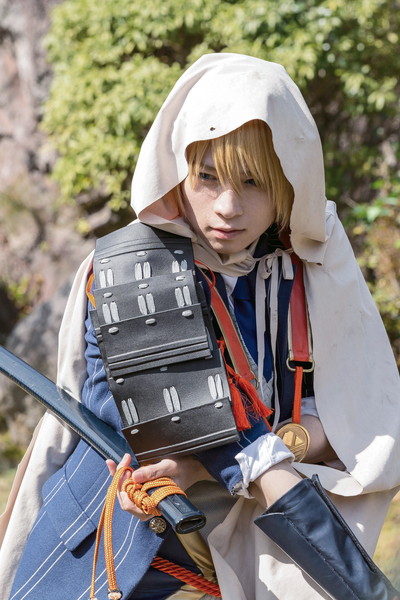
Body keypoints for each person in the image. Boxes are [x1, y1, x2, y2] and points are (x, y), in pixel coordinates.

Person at [1, 52, 399, 600]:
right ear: (178, 169)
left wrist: (245, 455)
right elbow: (160, 415)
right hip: (127, 552)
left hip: (264, 546)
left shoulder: (310, 263)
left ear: (290, 181)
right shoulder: (130, 271)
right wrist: (261, 452)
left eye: (254, 182)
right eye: (207, 177)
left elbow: (360, 412)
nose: (228, 207)